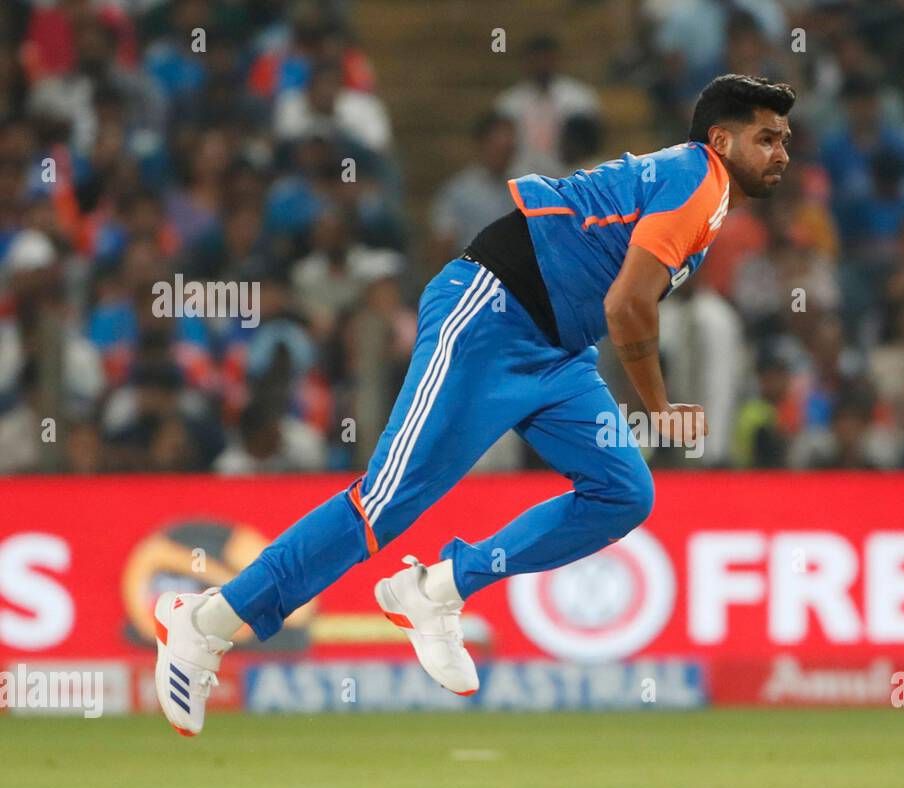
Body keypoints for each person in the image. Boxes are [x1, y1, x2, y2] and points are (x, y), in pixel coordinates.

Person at [152, 74, 796, 735]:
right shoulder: (701, 182)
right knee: (382, 504)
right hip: (490, 312)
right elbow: (627, 304)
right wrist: (660, 407)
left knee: (624, 492)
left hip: (557, 351)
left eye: (785, 140)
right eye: (766, 138)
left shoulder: (702, 191)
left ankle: (437, 588)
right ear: (721, 139)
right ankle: (207, 622)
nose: (781, 153)